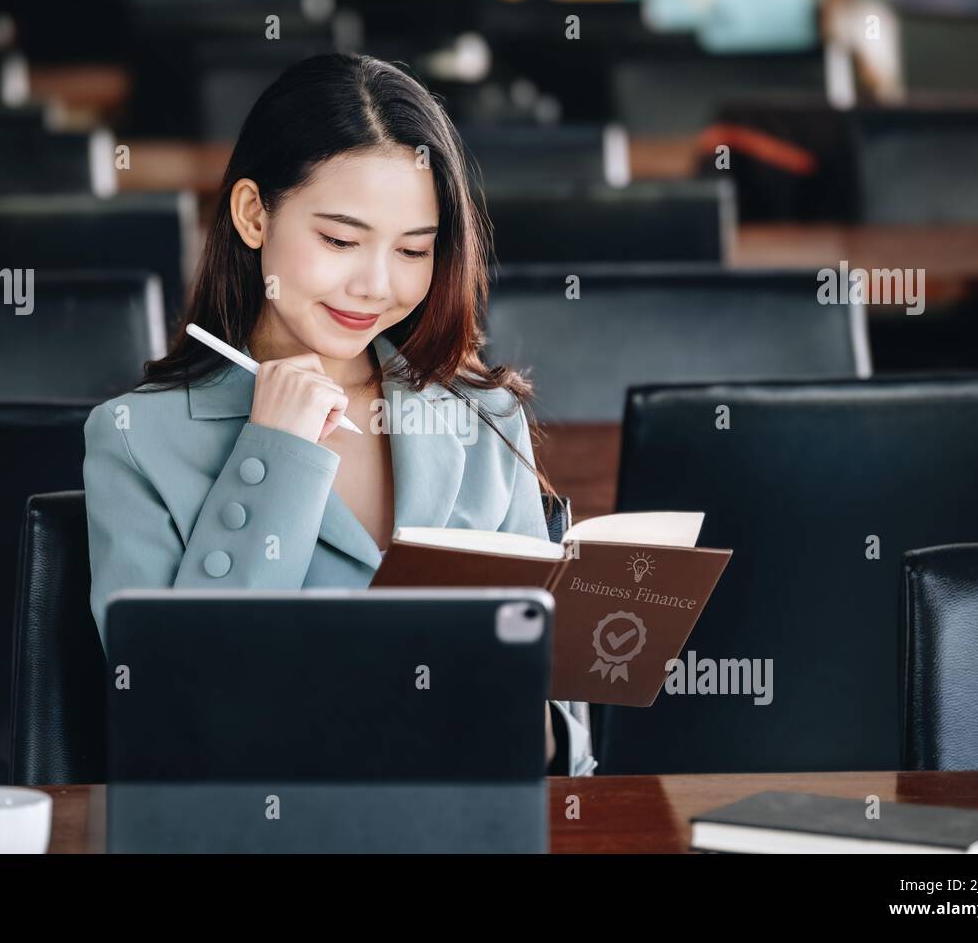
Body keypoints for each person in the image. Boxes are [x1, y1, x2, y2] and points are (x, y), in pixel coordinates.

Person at [83, 51, 595, 776]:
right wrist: (273, 456)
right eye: (341, 241)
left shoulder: (480, 413)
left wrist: (531, 720)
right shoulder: (136, 439)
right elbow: (174, 713)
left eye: (414, 250)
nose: (375, 286)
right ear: (254, 214)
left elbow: (562, 739)